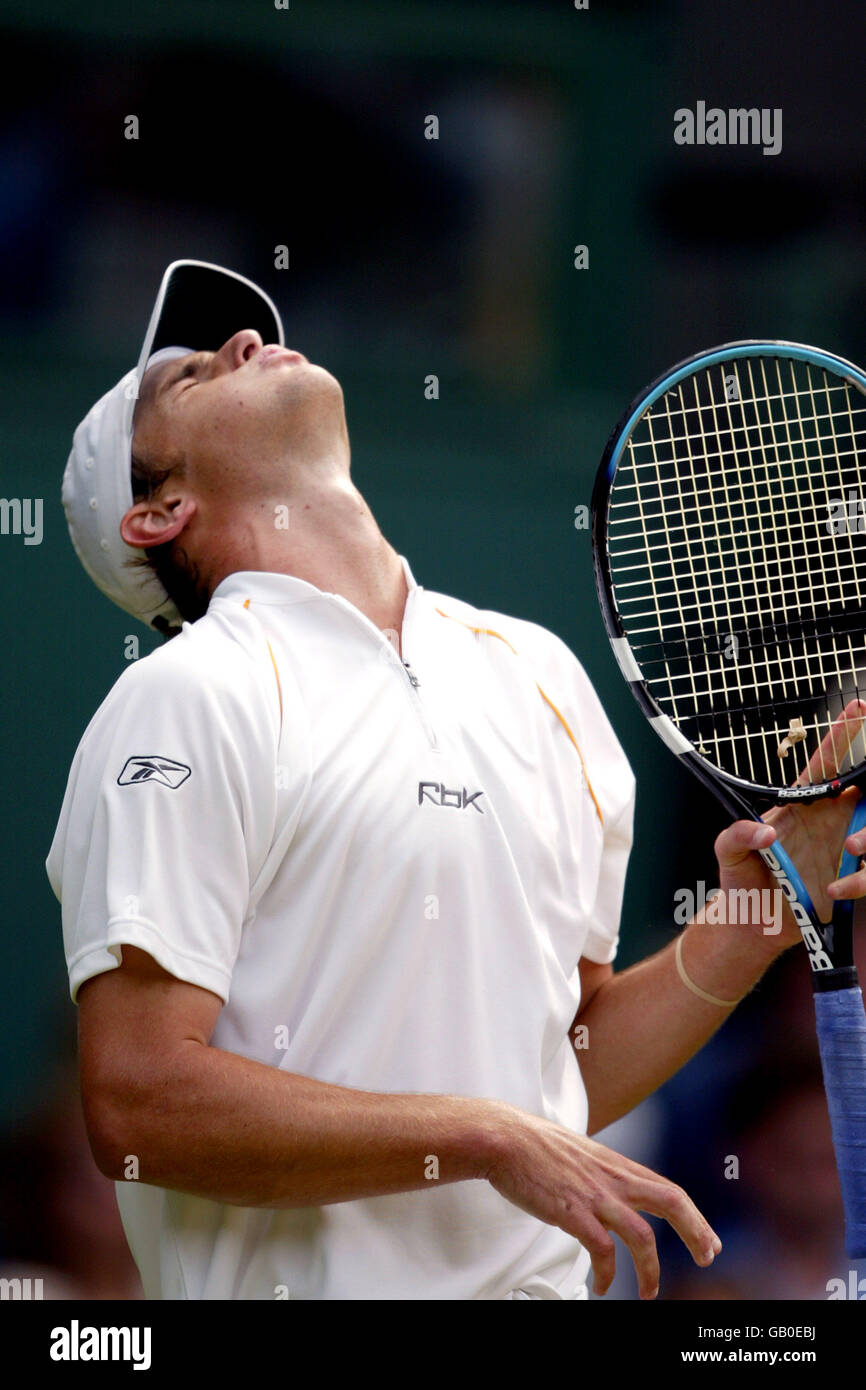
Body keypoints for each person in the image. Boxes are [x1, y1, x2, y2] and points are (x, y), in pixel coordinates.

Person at [45, 260, 866, 1301]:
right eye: (196, 374)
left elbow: (554, 1070)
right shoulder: (186, 696)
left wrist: (750, 914)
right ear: (158, 512)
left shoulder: (537, 676)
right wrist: (479, 1136)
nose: (246, 343)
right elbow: (143, 1104)